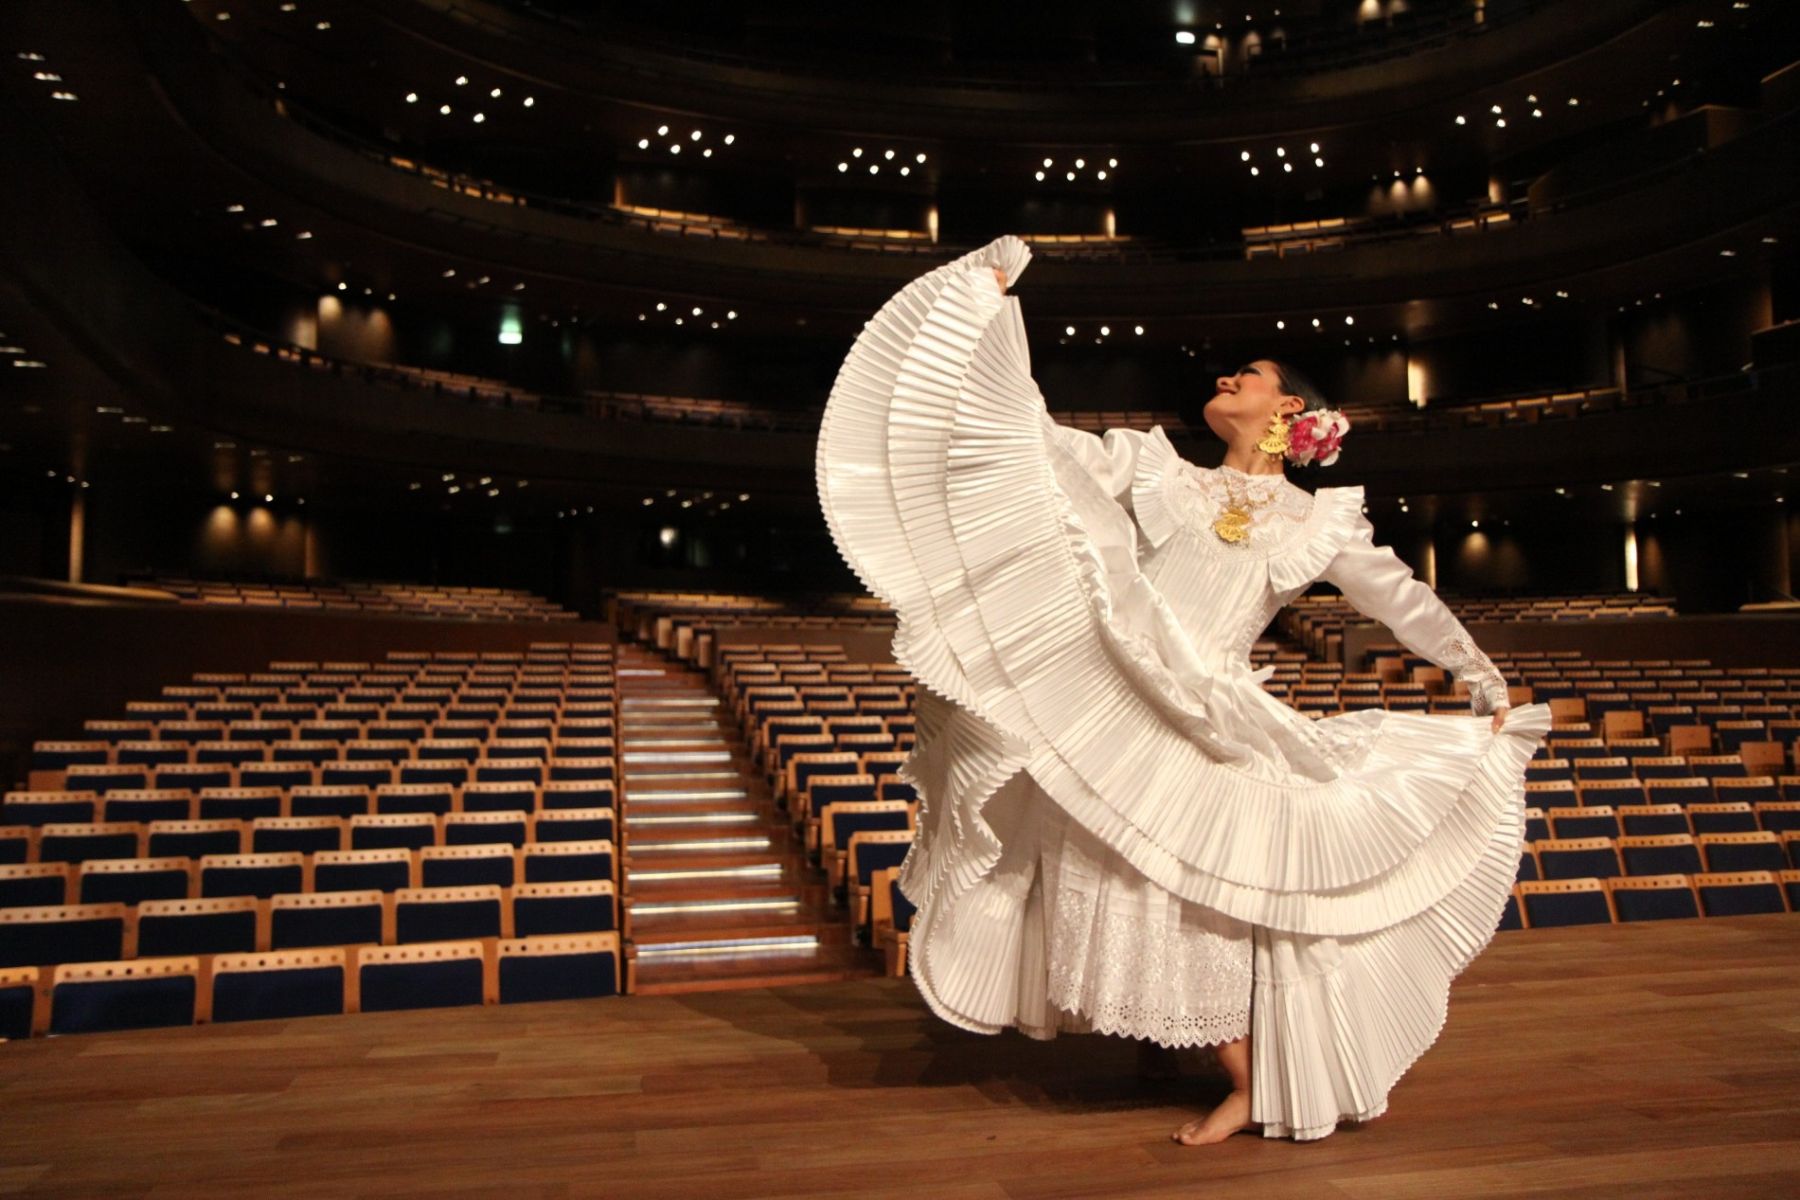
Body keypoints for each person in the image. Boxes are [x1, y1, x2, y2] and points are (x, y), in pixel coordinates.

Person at [815, 235, 1550, 1145]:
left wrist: (1482, 674)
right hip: (1129, 689)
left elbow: (1403, 600)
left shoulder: (1320, 521)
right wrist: (986, 320)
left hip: (1214, 715)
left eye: (1249, 374)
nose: (1227, 380)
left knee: (1200, 888)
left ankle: (1246, 1075)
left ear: (1290, 409)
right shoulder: (1159, 470)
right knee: (1117, 869)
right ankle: (1187, 1048)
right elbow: (1040, 445)